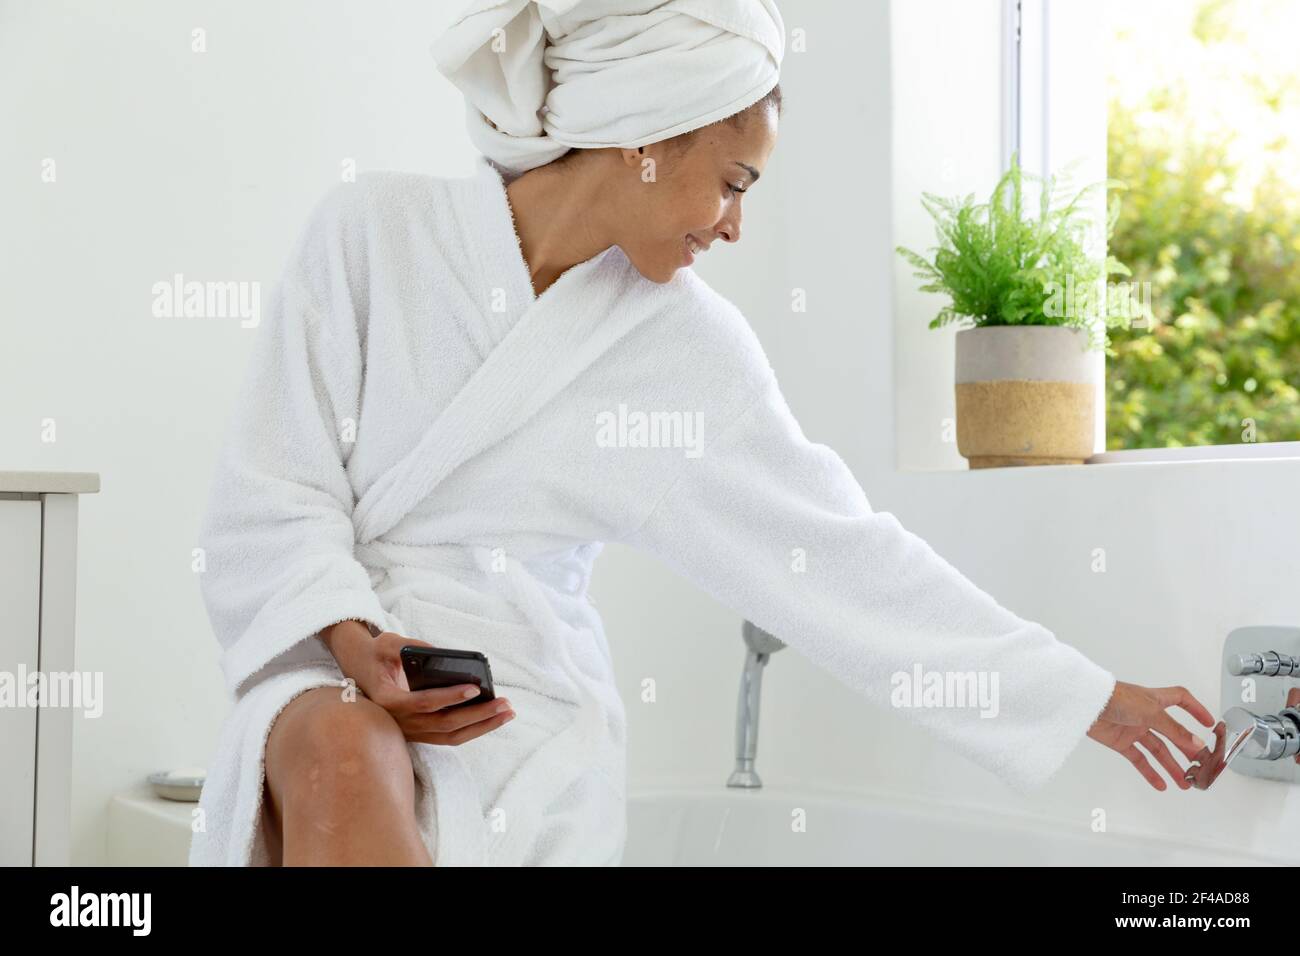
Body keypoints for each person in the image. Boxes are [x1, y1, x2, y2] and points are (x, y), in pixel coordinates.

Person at [189, 0, 1215, 867]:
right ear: (644, 135)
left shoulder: (685, 349)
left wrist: (1086, 697)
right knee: (340, 742)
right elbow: (274, 491)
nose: (733, 227)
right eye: (732, 181)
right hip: (334, 666)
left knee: (357, 750)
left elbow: (841, 563)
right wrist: (356, 641)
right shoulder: (371, 234)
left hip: (510, 713)